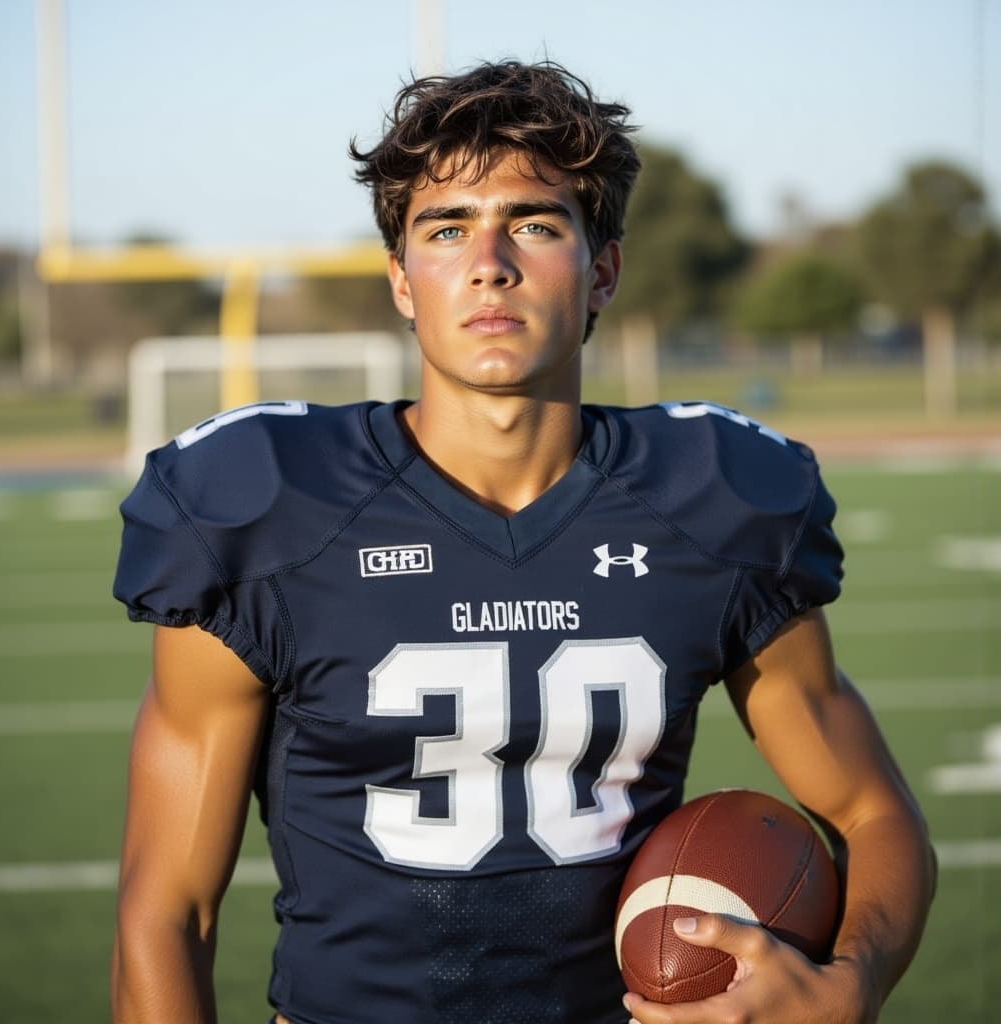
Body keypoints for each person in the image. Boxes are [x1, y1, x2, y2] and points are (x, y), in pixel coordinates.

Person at [111, 60, 935, 1024]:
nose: (489, 261)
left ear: (605, 270)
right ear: (402, 281)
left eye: (535, 224)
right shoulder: (264, 508)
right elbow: (165, 910)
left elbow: (875, 814)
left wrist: (855, 981)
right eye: (446, 226)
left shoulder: (712, 501)